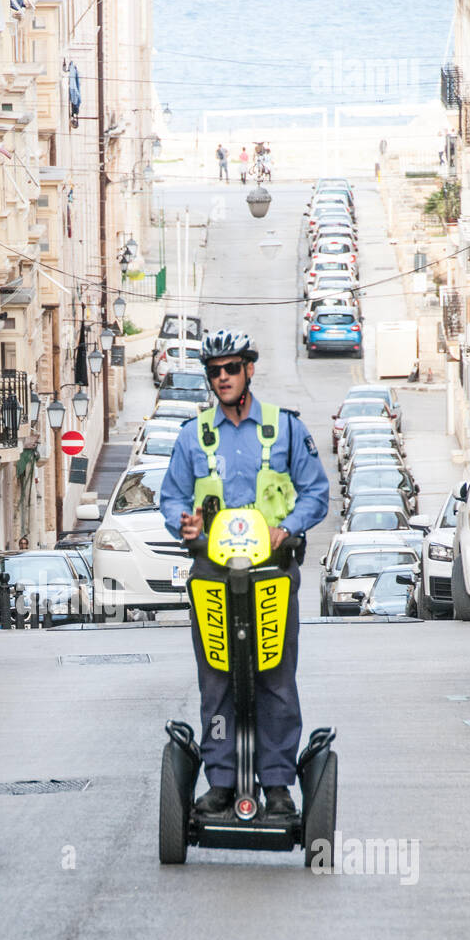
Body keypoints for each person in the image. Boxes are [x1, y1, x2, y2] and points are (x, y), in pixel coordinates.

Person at [160, 329, 329, 820]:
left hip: (272, 572)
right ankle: (221, 779)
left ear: (249, 369)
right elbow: (172, 495)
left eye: (230, 369)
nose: (222, 378)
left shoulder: (286, 429)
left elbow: (316, 492)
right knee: (217, 679)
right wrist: (182, 521)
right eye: (214, 371)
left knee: (275, 675)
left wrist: (288, 528)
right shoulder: (194, 435)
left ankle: (277, 783)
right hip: (213, 571)